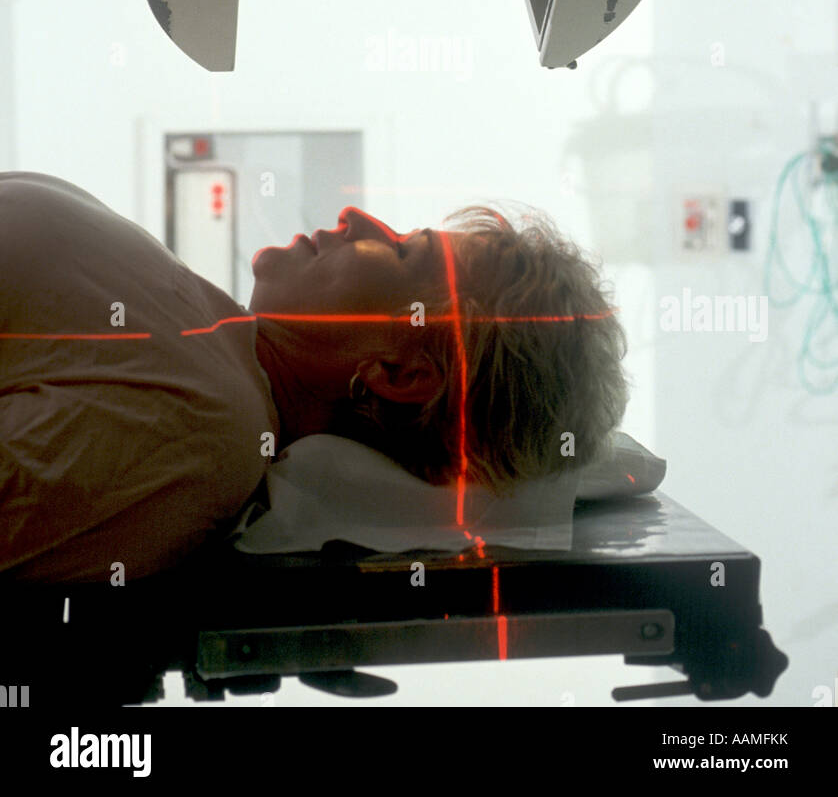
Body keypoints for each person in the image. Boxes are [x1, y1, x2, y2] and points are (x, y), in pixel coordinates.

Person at [0, 172, 627, 583]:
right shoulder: (207, 345)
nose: (358, 217)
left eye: (403, 248)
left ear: (398, 372)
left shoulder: (203, 429)